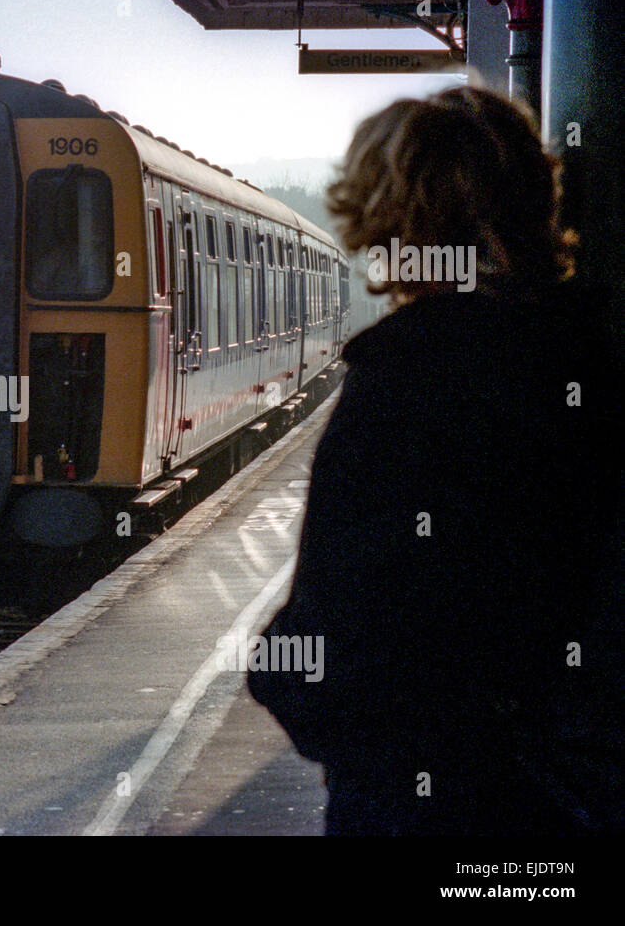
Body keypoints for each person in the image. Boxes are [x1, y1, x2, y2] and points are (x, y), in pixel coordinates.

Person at [247, 84, 625, 834]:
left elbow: (339, 635)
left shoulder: (405, 383)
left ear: (384, 222)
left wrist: (279, 671)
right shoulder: (597, 355)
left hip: (438, 804)